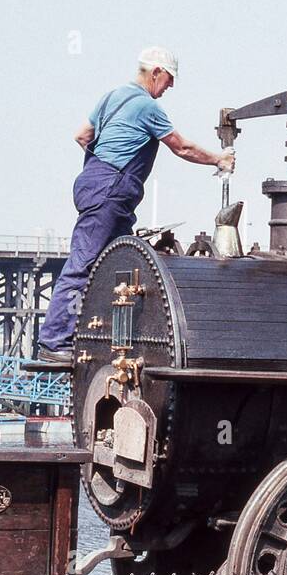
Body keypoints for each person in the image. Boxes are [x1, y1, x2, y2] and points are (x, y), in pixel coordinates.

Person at [37, 46, 234, 362]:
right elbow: (181, 147)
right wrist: (219, 159)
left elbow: (82, 136)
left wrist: (103, 161)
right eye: (169, 79)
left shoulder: (112, 97)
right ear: (156, 72)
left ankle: (107, 337)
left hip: (100, 186)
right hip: (110, 190)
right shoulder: (147, 107)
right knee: (84, 263)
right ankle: (54, 342)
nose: (169, 87)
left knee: (124, 264)